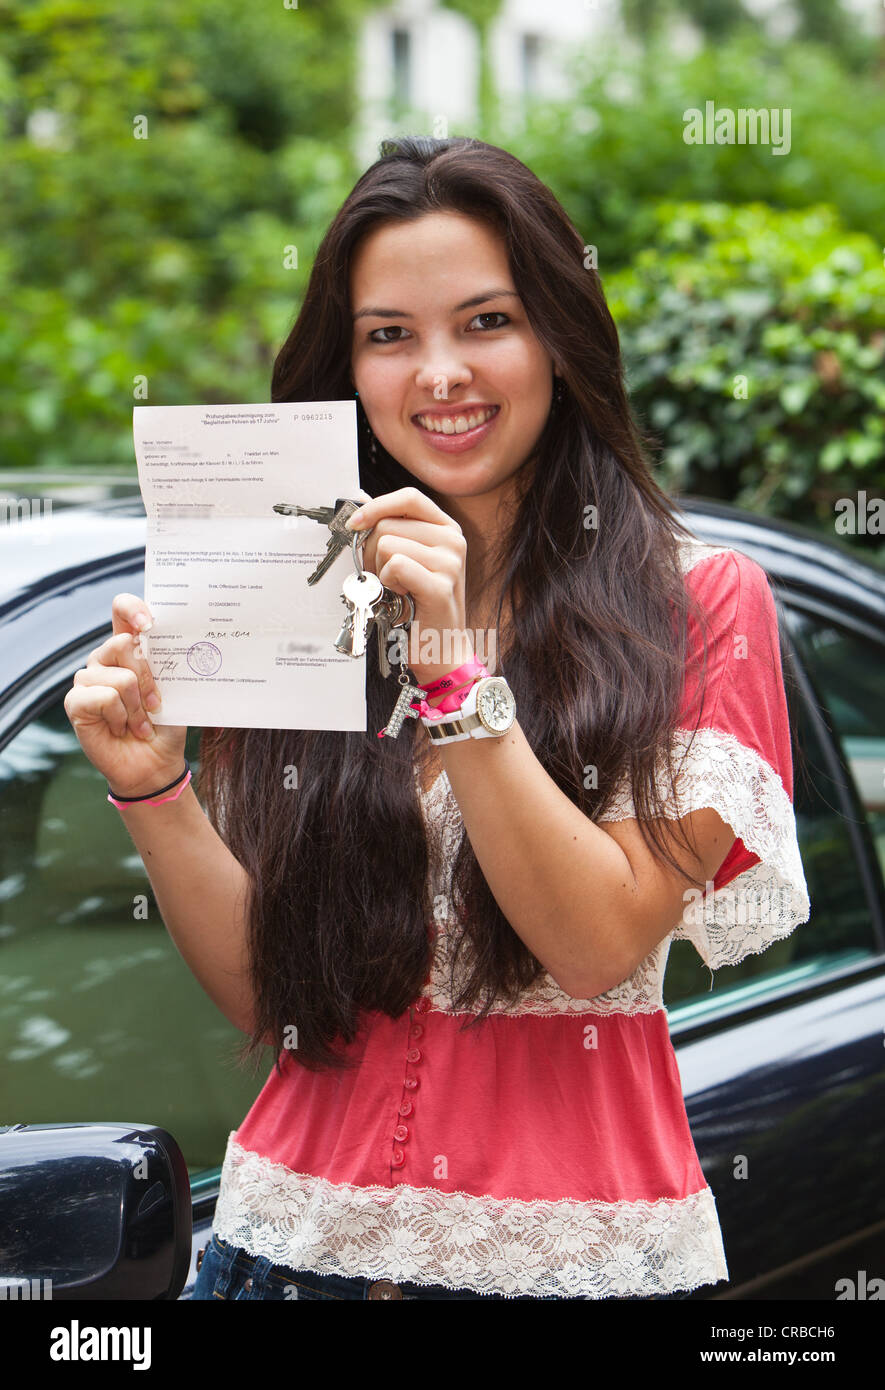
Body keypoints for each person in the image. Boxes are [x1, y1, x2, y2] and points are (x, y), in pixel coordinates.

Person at [63, 135, 810, 1301]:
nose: (440, 374)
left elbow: (596, 940)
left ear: (559, 335)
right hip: (279, 1252)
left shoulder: (702, 602)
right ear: (347, 366)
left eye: (486, 321)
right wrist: (154, 788)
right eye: (388, 335)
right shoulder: (308, 582)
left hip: (573, 1265)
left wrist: (455, 669)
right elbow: (282, 999)